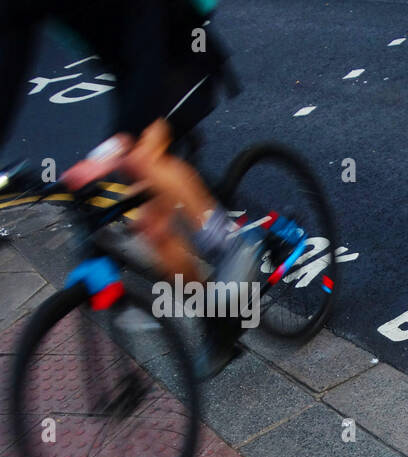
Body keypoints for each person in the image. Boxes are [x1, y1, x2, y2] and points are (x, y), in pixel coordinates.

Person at [0, 0, 252, 375]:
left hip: (180, 56)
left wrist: (116, 146)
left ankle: (230, 244)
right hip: (133, 81)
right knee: (154, 229)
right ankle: (220, 319)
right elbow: (9, 65)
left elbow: (147, 45)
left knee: (139, 157)